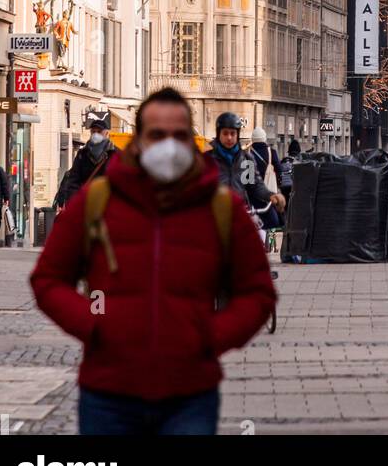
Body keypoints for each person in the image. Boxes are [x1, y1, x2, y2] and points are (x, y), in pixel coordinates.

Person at [31, 86, 276, 436]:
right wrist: (92, 326)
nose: (167, 144)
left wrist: (212, 337)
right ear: (139, 141)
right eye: (157, 134)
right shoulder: (98, 200)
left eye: (178, 135)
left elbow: (258, 292)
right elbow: (48, 279)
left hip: (189, 393)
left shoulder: (220, 206)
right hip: (109, 391)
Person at [208, 113, 284, 219]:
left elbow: (255, 186)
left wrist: (270, 195)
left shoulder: (246, 159)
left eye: (232, 133)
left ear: (237, 135)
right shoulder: (206, 160)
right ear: (218, 134)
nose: (229, 137)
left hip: (240, 214)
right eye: (225, 133)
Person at [54, 110, 117, 209]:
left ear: (106, 133)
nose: (96, 134)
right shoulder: (82, 154)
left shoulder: (115, 154)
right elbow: (73, 180)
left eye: (99, 131)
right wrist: (74, 203)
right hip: (86, 205)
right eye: (93, 131)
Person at [249, 126, 283, 231]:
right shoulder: (271, 152)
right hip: (269, 193)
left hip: (253, 196)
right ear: (264, 138)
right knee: (274, 221)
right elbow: (279, 169)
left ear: (252, 139)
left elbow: (247, 179)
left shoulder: (247, 154)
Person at [278, 138, 301, 207]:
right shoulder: (299, 162)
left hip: (282, 187)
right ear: (298, 152)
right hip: (293, 188)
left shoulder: (282, 161)